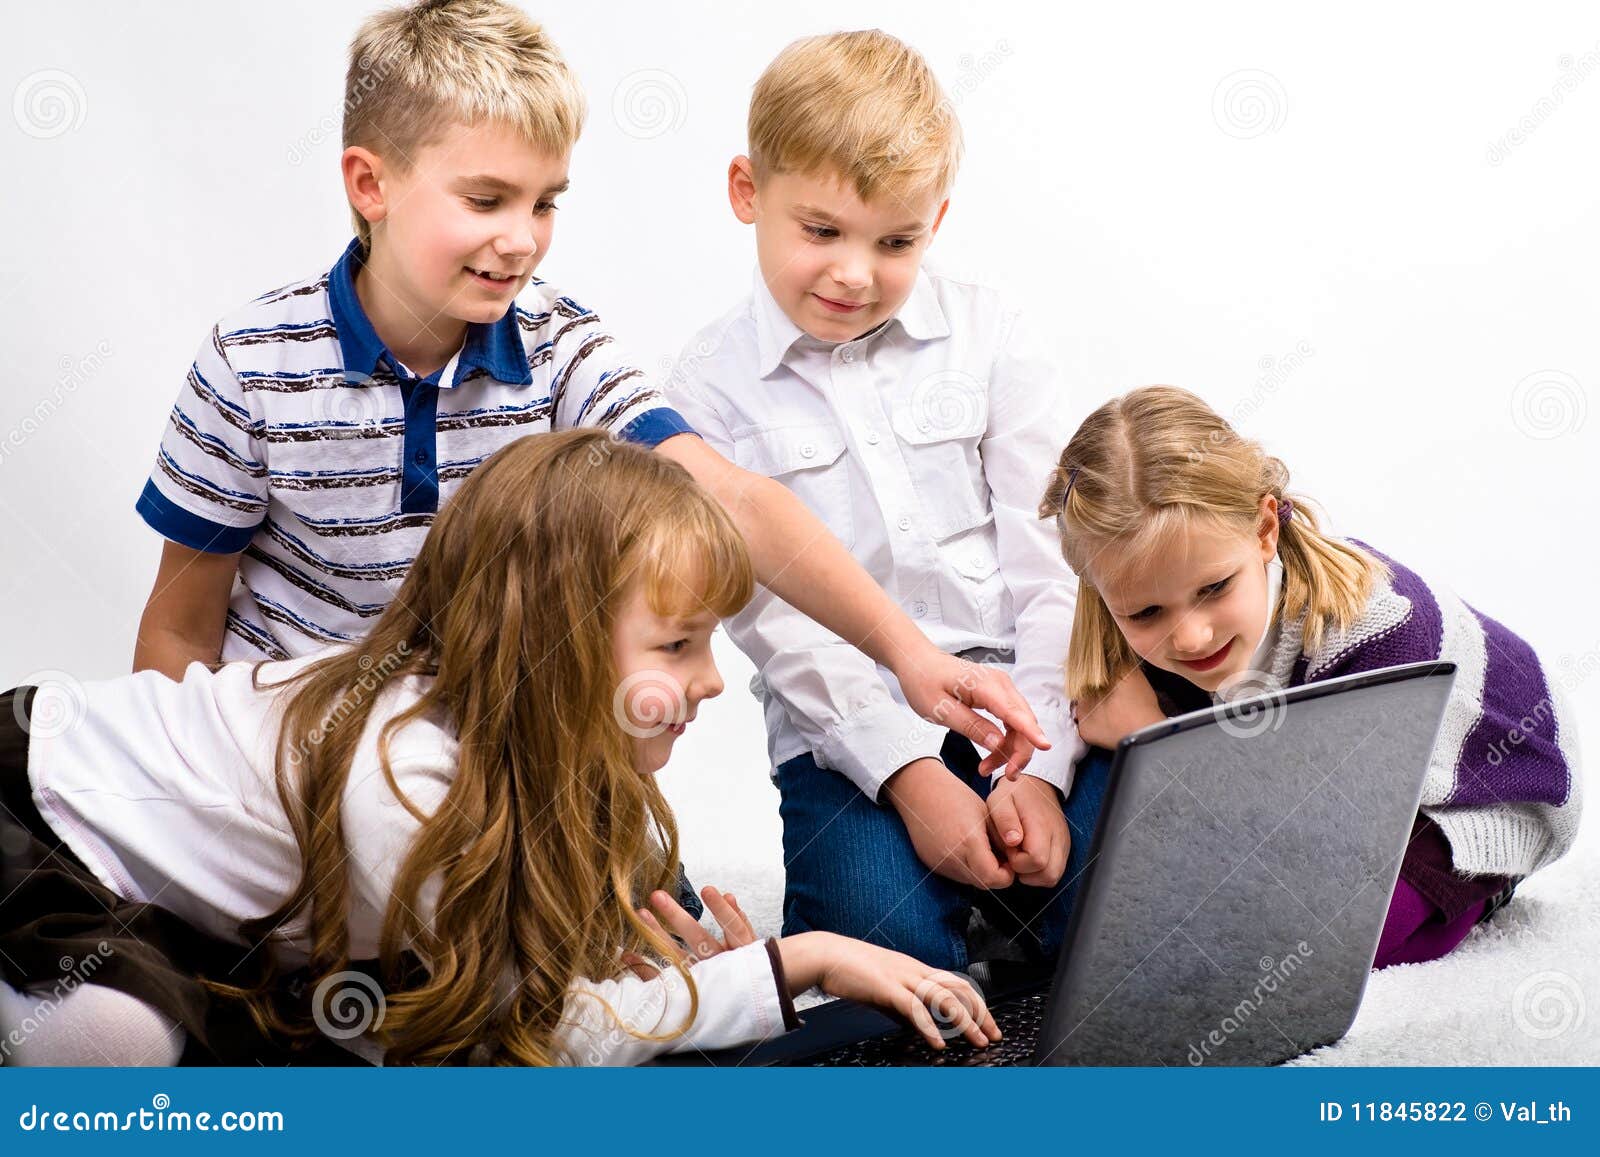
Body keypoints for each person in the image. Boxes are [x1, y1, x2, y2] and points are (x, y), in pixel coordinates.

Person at [1, 430, 997, 1065]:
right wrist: (800, 958)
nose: (710, 679)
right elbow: (546, 1039)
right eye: (678, 643)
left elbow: (582, 988)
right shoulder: (408, 773)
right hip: (38, 822)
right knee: (112, 1049)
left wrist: (714, 981)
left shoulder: (545, 759)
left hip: (217, 901)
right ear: (551, 639)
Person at [1045, 385, 1581, 967]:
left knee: (1317, 945)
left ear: (1264, 529)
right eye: (1146, 613)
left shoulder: (1379, 633)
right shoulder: (1138, 606)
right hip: (1324, 779)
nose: (1191, 637)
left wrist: (1149, 737)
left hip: (1474, 794)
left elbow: (1313, 835)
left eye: (1214, 589)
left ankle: (1479, 891)